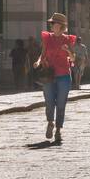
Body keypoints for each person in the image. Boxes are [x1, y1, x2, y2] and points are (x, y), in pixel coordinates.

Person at [36, 14, 76, 144]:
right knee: (49, 101)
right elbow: (42, 54)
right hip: (49, 75)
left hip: (64, 75)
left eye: (54, 23)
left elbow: (73, 59)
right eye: (51, 23)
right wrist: (38, 62)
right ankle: (50, 123)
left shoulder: (68, 39)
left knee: (60, 103)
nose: (51, 25)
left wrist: (68, 51)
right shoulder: (47, 38)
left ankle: (58, 130)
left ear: (61, 26)